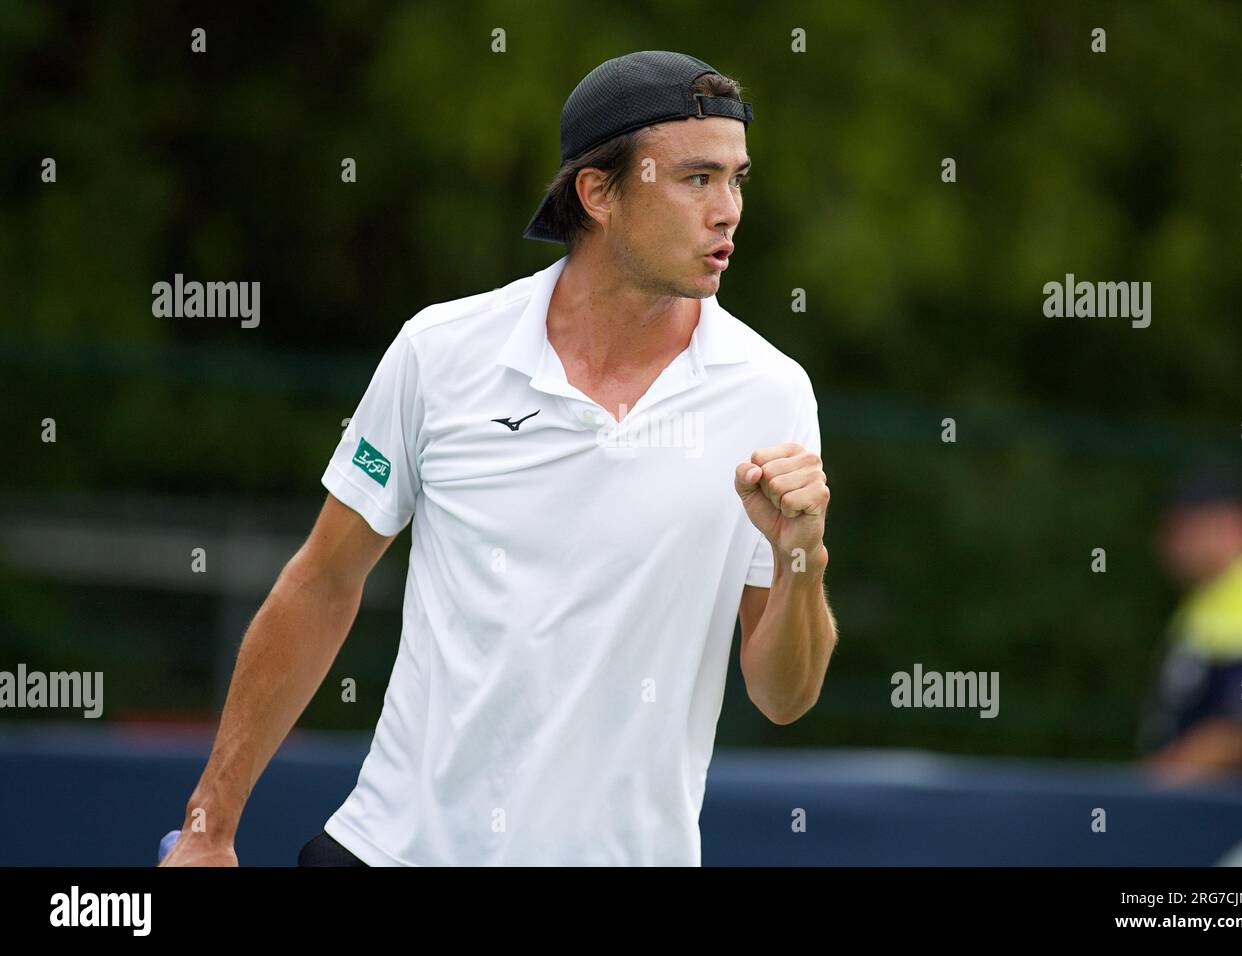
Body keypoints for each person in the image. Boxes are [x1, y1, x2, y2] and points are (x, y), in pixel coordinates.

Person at [160, 50, 837, 867]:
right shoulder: (438, 352)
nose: (728, 210)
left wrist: (800, 556)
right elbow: (322, 582)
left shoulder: (772, 394)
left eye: (737, 179)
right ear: (598, 194)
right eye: (696, 179)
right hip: (391, 852)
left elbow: (783, 697)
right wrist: (209, 825)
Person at [1139, 462, 1242, 783]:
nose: (1170, 545)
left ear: (1235, 524)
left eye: (1184, 529)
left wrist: (1147, 791)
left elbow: (1240, 730)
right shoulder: (1211, 598)